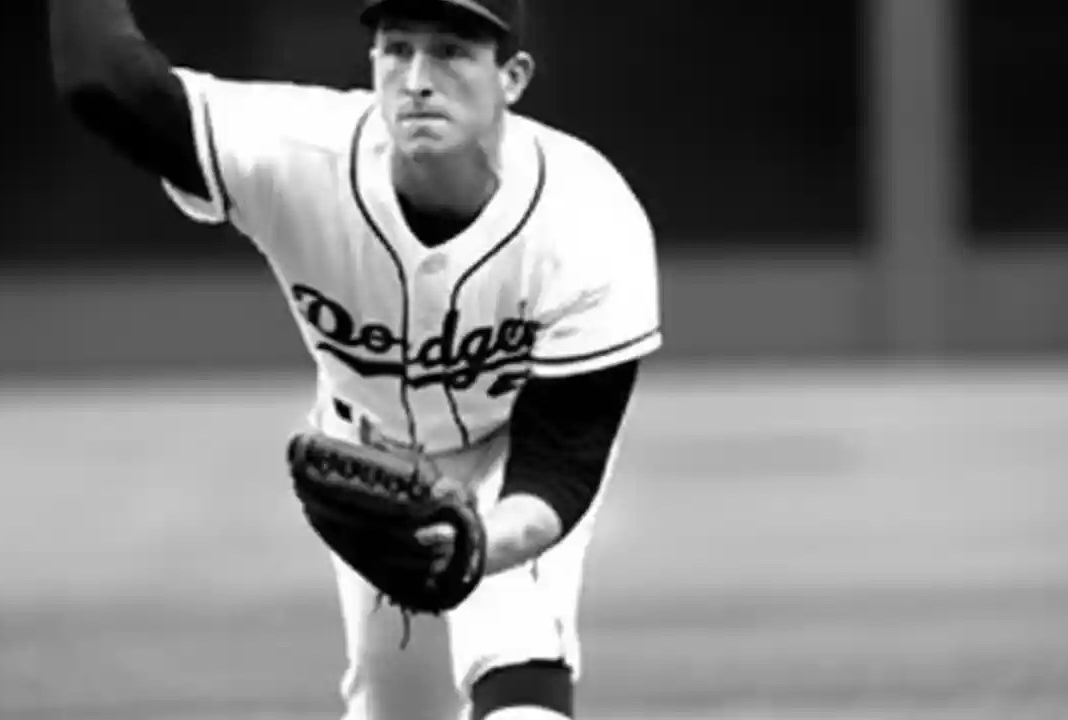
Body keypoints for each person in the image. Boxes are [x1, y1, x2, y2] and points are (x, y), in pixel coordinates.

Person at [49, 0, 662, 718]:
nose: (417, 79)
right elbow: (104, 82)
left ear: (513, 76)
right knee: (398, 706)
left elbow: (562, 462)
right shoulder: (296, 153)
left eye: (452, 51)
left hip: (513, 455)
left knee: (522, 667)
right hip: (372, 458)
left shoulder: (587, 218)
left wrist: (477, 545)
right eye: (396, 49)